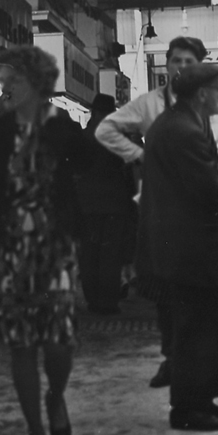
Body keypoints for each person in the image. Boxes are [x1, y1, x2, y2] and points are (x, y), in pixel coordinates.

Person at [94, 35, 218, 388]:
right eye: (176, 60)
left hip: (202, 204)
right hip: (166, 208)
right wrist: (140, 156)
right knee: (167, 291)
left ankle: (209, 361)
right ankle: (175, 360)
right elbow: (106, 129)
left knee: (205, 291)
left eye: (189, 61)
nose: (182, 67)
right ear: (169, 65)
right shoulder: (149, 106)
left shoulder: (214, 103)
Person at [0, 46, 88, 435]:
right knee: (21, 345)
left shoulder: (63, 129)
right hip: (10, 251)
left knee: (58, 343)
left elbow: (84, 179)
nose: (4, 86)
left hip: (54, 249)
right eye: (4, 80)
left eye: (13, 80)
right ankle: (36, 430)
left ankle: (55, 396)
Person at [139, 63, 218, 431]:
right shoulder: (183, 131)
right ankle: (188, 409)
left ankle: (202, 401)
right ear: (201, 94)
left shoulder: (177, 124)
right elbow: (206, 188)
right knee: (196, 329)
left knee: (200, 327)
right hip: (187, 249)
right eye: (217, 89)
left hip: (184, 247)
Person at [75, 93, 137, 314]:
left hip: (87, 205)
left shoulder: (82, 137)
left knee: (89, 253)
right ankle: (108, 301)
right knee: (110, 254)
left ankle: (93, 299)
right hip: (114, 204)